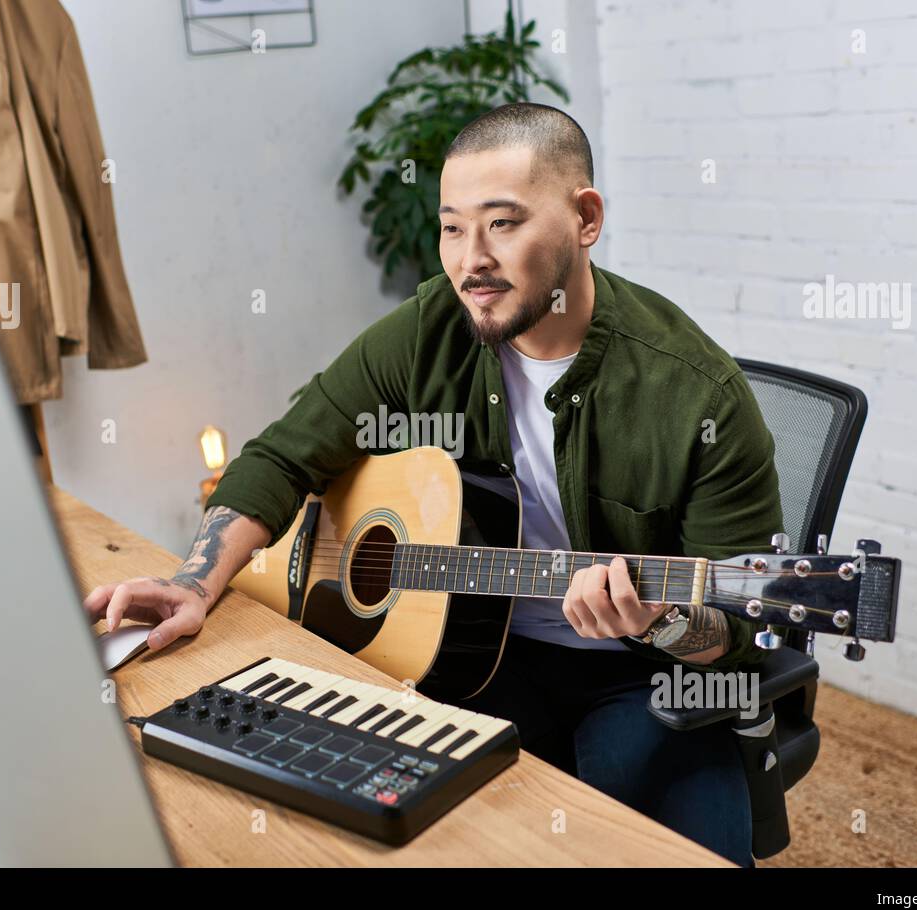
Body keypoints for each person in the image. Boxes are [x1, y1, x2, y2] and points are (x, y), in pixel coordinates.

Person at [85, 103, 783, 867]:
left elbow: (740, 640)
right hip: (465, 651)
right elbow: (283, 455)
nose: (469, 259)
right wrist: (193, 581)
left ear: (585, 218)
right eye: (452, 226)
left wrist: (660, 623)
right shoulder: (430, 329)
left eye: (503, 223)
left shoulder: (699, 395)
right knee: (326, 810)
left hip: (639, 674)